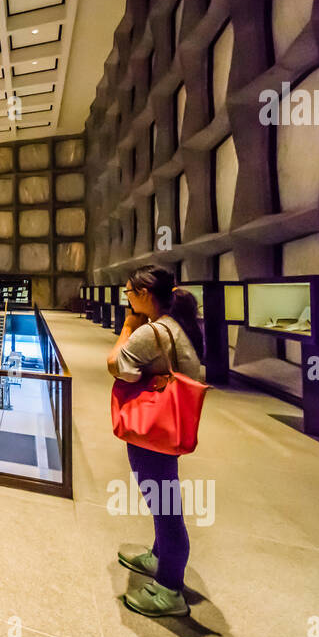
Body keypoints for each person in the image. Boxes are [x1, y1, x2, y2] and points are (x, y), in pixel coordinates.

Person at [106, 264, 205, 618]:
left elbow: (117, 365)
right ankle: (159, 556)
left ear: (145, 295)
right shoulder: (175, 324)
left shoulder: (151, 332)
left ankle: (169, 590)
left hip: (154, 430)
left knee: (165, 506)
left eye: (129, 294)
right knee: (162, 495)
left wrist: (128, 327)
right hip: (168, 424)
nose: (127, 299)